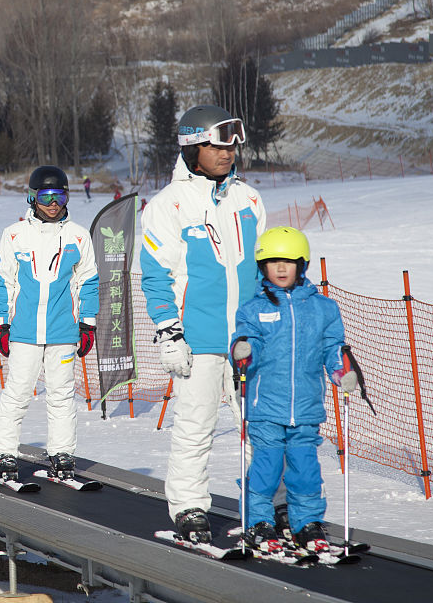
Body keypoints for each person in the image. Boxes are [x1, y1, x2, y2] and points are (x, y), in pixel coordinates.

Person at [138, 104, 266, 544]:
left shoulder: (249, 199)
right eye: (217, 145)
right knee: (195, 429)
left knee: (263, 428)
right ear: (193, 148)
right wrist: (169, 333)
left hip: (248, 339)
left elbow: (263, 271)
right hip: (198, 340)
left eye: (232, 145)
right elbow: (156, 277)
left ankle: (268, 506)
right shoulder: (168, 205)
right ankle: (189, 506)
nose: (228, 153)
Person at [231, 226, 355, 553]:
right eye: (273, 263)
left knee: (305, 470)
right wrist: (243, 351)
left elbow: (332, 347)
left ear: (302, 264)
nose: (281, 269)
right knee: (267, 468)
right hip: (266, 406)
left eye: (288, 262)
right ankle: (259, 521)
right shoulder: (253, 309)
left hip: (306, 407)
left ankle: (307, 523)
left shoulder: (324, 308)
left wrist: (342, 372)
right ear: (263, 267)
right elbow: (246, 341)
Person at [0, 167, 100, 481]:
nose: (53, 204)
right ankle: (4, 453)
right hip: (24, 331)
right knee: (17, 393)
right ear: (32, 197)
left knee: (62, 395)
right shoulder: (14, 234)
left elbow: (88, 282)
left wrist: (87, 324)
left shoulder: (78, 235)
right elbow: (3, 282)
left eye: (60, 197)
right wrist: (1, 324)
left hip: (63, 331)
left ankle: (62, 453)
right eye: (46, 196)